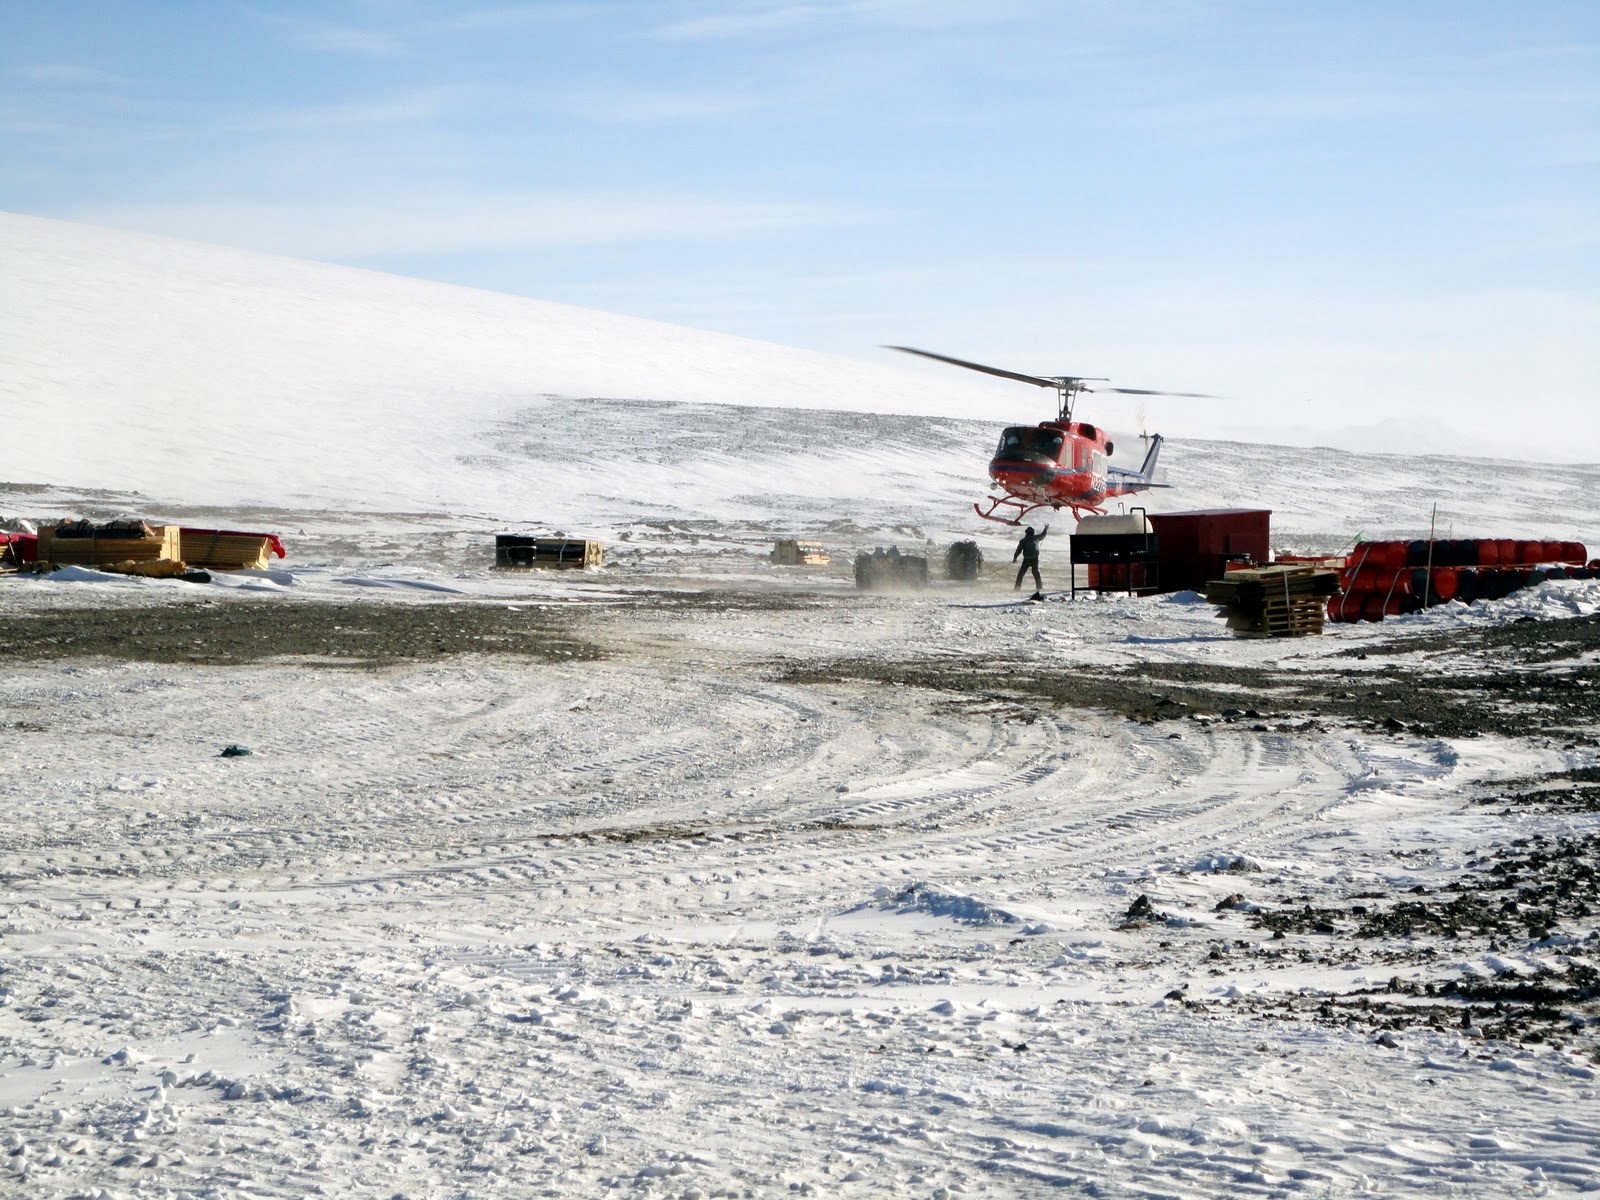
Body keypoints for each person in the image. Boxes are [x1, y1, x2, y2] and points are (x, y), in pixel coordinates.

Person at [1013, 524, 1049, 595]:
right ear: (1033, 533)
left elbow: (1018, 550)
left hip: (1026, 559)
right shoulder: (1036, 538)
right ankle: (1039, 587)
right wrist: (1045, 529)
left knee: (1021, 574)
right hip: (1035, 559)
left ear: (1026, 533)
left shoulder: (1023, 541)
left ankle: (1017, 587)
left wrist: (1015, 558)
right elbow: (1043, 535)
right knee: (1035, 572)